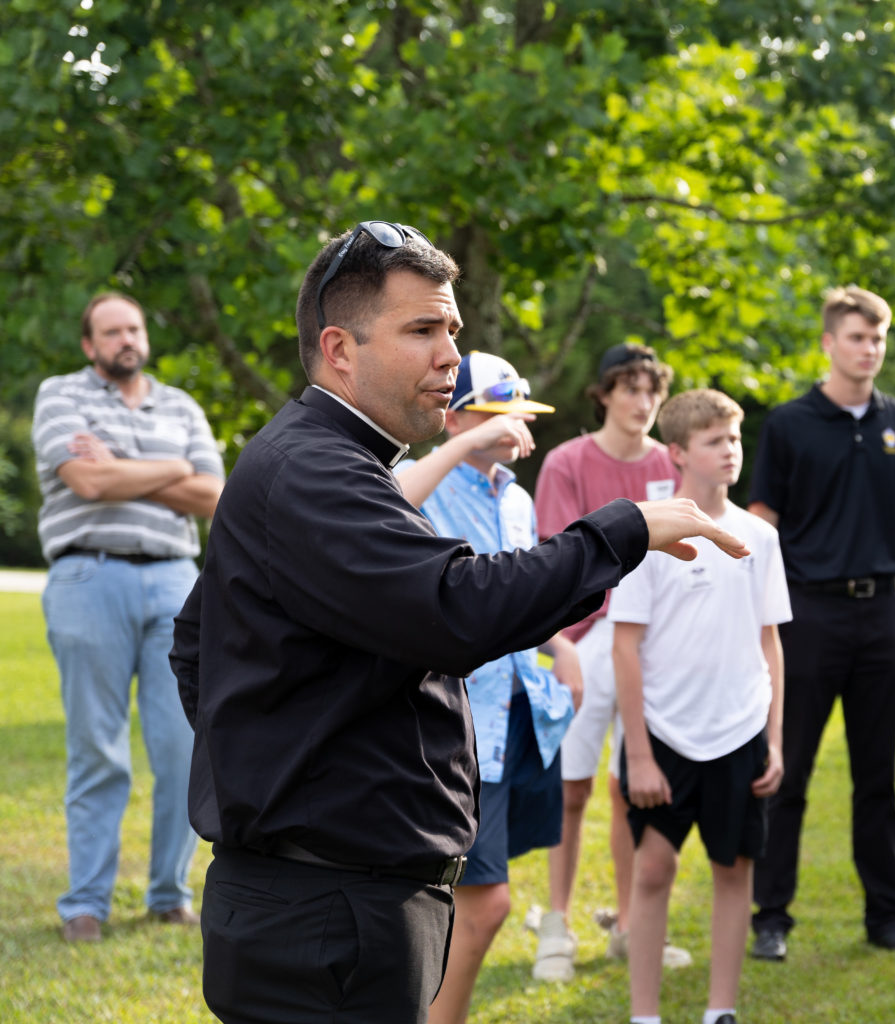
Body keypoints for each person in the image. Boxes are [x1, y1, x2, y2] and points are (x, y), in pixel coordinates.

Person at [170, 220, 746, 1024]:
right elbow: (457, 607)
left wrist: (278, 752)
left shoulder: (331, 461)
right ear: (340, 349)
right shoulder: (315, 471)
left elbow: (196, 642)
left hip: (334, 898)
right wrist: (622, 531)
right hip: (326, 911)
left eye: (452, 329)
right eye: (422, 329)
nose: (450, 355)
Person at [747, 286, 895, 961]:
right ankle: (771, 919)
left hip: (882, 614)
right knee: (787, 771)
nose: (868, 349)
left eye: (877, 339)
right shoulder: (789, 424)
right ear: (829, 343)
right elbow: (762, 519)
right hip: (808, 614)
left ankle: (886, 919)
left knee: (878, 776)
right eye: (856, 337)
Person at [389, 351, 580, 1024]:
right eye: (505, 411)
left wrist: (561, 650)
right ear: (460, 414)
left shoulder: (517, 496)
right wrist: (461, 441)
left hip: (517, 715)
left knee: (474, 897)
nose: (519, 424)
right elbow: (394, 503)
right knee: (483, 901)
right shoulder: (425, 482)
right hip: (459, 720)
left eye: (523, 410)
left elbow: (517, 593)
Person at [32, 291, 225, 943]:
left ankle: (170, 891)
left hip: (177, 582)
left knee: (184, 748)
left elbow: (214, 496)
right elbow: (86, 484)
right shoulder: (60, 396)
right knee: (97, 749)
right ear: (90, 345)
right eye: (110, 332)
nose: (125, 339)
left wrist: (123, 467)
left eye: (134, 328)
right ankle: (85, 902)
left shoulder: (181, 406)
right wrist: (170, 469)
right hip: (90, 576)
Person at [611, 388, 789, 1024]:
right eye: (715, 441)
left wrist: (772, 740)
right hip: (664, 735)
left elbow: (770, 643)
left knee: (733, 868)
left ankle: (721, 1010)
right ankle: (644, 1014)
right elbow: (625, 648)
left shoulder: (760, 537)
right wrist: (639, 754)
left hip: (740, 730)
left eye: (736, 439)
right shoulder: (649, 531)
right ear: (679, 452)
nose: (730, 451)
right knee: (653, 869)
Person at [529, 342, 690, 980]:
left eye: (652, 390)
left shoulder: (668, 464)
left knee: (636, 787)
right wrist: (567, 642)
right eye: (629, 389)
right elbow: (555, 561)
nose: (642, 402)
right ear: (603, 394)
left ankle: (630, 925)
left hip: (652, 643)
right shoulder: (567, 462)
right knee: (571, 789)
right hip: (585, 638)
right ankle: (557, 925)